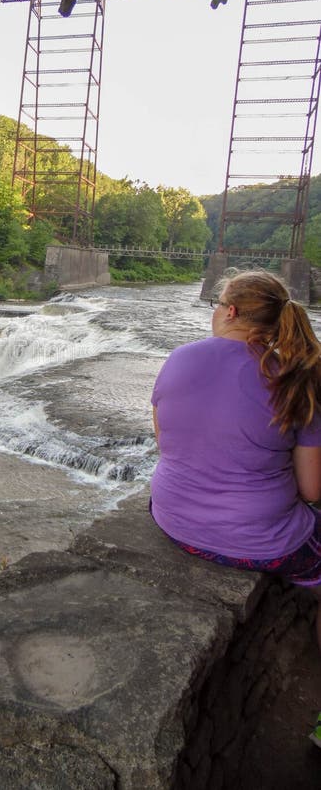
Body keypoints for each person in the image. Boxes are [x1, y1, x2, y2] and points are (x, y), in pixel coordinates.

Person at [149, 270, 321, 747]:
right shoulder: (294, 376)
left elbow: (168, 443)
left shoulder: (180, 358)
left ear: (228, 311)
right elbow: (311, 489)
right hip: (258, 542)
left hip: (171, 519)